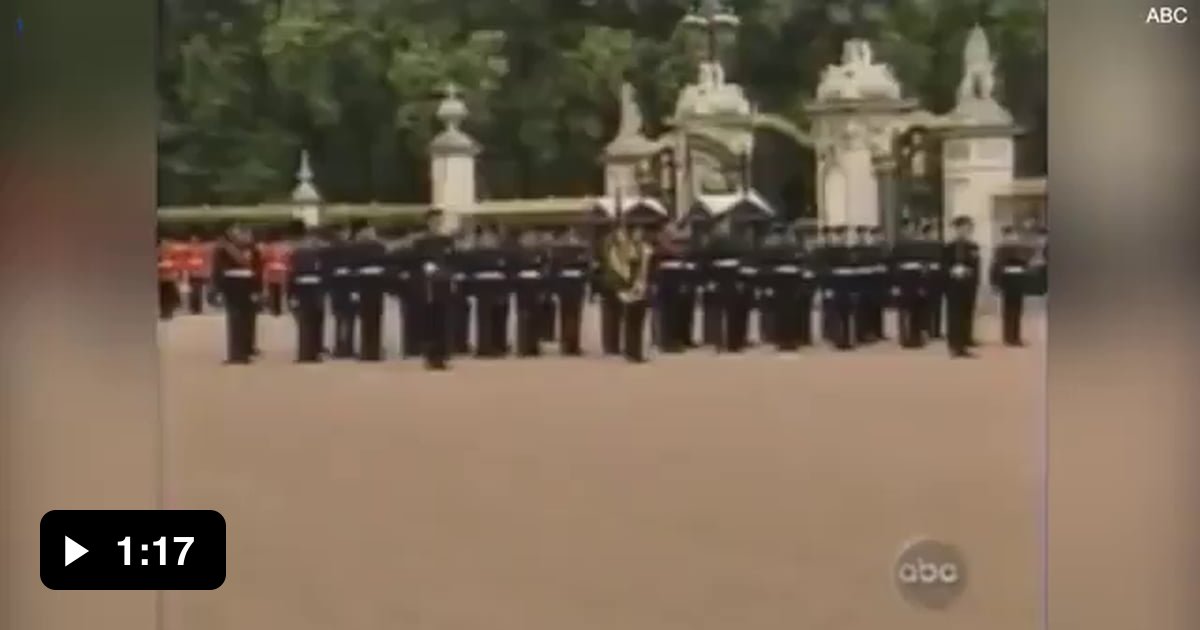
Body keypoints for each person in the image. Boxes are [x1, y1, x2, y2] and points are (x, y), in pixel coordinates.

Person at [410, 208, 456, 370]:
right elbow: (413, 261)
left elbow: (454, 259)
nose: (437, 223)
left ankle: (443, 355)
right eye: (434, 220)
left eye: (440, 220)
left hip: (444, 283)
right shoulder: (421, 242)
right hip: (428, 285)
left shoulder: (447, 240)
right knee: (430, 321)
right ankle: (430, 355)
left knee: (444, 320)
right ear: (428, 222)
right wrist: (424, 266)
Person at [604, 219, 653, 363]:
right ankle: (632, 352)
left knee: (639, 321)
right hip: (631, 286)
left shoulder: (644, 247)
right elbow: (623, 268)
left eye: (641, 232)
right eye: (637, 232)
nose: (640, 234)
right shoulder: (627, 248)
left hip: (642, 286)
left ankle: (636, 351)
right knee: (632, 320)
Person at [213, 223, 258, 364]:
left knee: (239, 319)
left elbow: (246, 262)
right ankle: (239, 352)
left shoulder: (236, 248)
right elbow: (217, 269)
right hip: (234, 284)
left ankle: (239, 353)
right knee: (237, 319)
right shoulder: (223, 250)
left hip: (239, 284)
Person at [288, 222, 327, 363]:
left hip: (307, 289)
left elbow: (291, 275)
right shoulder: (319, 252)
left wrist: (291, 293)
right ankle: (311, 352)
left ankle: (309, 353)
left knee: (309, 322)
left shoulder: (298, 252)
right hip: (312, 289)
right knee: (311, 321)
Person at [943, 215, 981, 358]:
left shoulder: (973, 246)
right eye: (964, 228)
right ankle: (955, 346)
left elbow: (976, 265)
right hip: (954, 284)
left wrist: (974, 277)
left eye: (969, 228)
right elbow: (944, 265)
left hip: (968, 283)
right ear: (957, 229)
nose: (967, 231)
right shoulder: (949, 247)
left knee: (967, 312)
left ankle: (966, 339)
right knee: (955, 315)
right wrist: (952, 270)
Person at [650, 222, 691, 353]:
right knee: (666, 312)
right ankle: (666, 342)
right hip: (665, 277)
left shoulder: (669, 244)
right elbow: (664, 255)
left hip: (675, 276)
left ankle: (674, 340)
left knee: (675, 311)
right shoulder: (659, 245)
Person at [550, 227, 590, 355]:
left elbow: (554, 270)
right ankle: (573, 345)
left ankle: (567, 345)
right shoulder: (580, 249)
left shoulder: (558, 250)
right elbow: (586, 269)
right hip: (575, 286)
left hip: (565, 286)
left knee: (565, 315)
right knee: (574, 316)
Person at [352, 221, 389, 361]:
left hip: (373, 285)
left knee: (374, 318)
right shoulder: (358, 247)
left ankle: (372, 349)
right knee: (368, 318)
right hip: (366, 285)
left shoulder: (378, 247)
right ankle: (368, 350)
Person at [990, 225, 1030, 346]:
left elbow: (1026, 264)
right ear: (1005, 236)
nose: (1013, 237)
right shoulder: (1000, 249)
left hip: (1018, 281)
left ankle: (1016, 337)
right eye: (1010, 234)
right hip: (1007, 281)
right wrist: (995, 283)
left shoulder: (1021, 248)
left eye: (1014, 234)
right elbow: (995, 266)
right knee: (1008, 310)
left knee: (1018, 310)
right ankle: (1008, 337)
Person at [891, 220, 928, 348]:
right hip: (903, 282)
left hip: (916, 281)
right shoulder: (898, 246)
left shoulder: (920, 246)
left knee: (917, 311)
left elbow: (924, 266)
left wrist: (923, 284)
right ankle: (905, 338)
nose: (910, 231)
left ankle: (916, 338)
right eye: (908, 229)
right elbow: (893, 267)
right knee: (904, 311)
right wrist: (895, 285)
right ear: (903, 230)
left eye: (912, 228)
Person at [325, 223, 358, 358]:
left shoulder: (331, 249)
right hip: (343, 286)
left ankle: (343, 346)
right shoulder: (351, 249)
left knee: (344, 318)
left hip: (340, 287)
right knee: (345, 318)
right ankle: (345, 347)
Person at [513, 229, 547, 357]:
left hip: (536, 287)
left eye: (533, 238)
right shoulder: (518, 254)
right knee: (523, 317)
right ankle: (523, 347)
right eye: (528, 238)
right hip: (523, 287)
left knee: (536, 318)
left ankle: (534, 346)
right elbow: (513, 269)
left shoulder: (541, 253)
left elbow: (545, 268)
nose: (531, 241)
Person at [822, 225, 856, 350]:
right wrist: (827, 289)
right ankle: (838, 339)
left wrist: (854, 288)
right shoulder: (830, 251)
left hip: (847, 284)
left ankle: (847, 339)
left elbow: (853, 269)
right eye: (840, 235)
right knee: (836, 313)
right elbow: (825, 271)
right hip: (835, 284)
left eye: (844, 235)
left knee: (847, 314)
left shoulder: (848, 251)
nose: (842, 238)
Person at [182, 230, 212, 314]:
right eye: (192, 240)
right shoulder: (189, 250)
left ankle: (197, 308)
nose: (193, 242)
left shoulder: (203, 249)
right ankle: (194, 308)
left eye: (195, 240)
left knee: (199, 291)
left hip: (202, 273)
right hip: (193, 273)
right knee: (194, 291)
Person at [157, 230, 181, 320]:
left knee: (165, 295)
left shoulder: (166, 247)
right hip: (168, 276)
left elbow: (173, 260)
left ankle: (166, 313)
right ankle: (167, 312)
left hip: (166, 276)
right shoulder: (170, 246)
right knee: (167, 295)